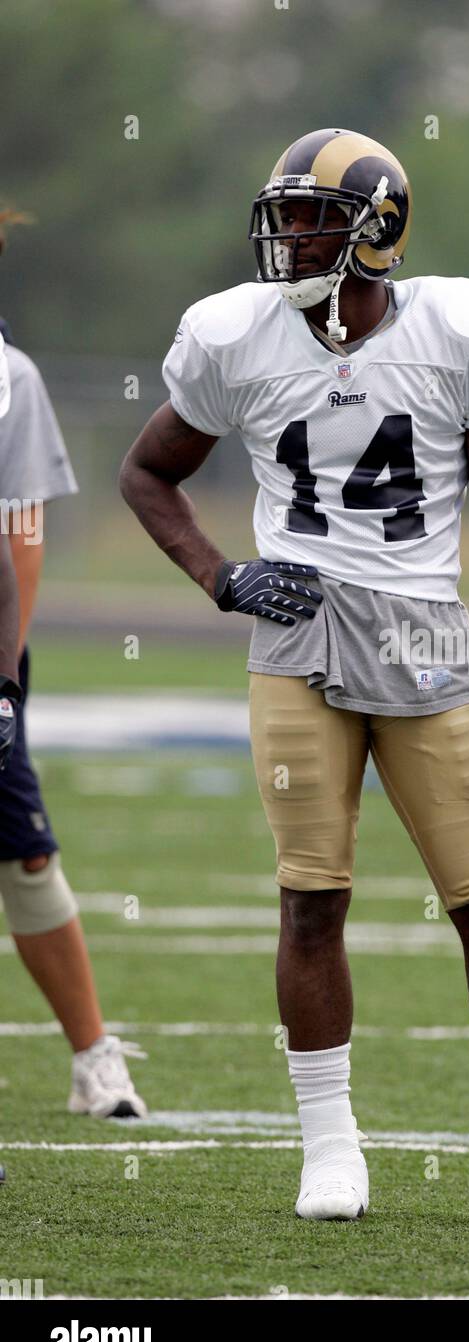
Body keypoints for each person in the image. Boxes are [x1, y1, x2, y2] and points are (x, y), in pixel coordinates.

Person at [120, 128, 469, 1229]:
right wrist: (223, 577)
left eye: (309, 217)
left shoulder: (463, 330)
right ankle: (330, 1146)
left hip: (427, 643)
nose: (287, 235)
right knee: (312, 901)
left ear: (376, 230)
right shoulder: (232, 335)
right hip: (298, 639)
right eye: (284, 213)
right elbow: (148, 472)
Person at [0, 210, 147, 1118]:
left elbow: (19, 532)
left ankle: (94, 1057)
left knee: (25, 855)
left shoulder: (10, 378)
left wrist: (4, 679)